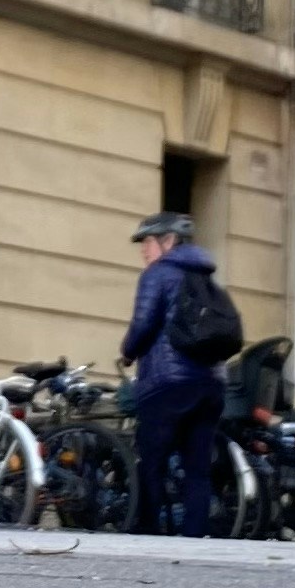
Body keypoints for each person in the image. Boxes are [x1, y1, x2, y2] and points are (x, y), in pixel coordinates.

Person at [120, 206, 240, 540]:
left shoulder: (157, 274)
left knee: (152, 460)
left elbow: (143, 324)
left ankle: (148, 530)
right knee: (197, 468)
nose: (144, 249)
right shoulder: (207, 277)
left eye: (148, 242)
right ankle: (194, 536)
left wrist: (128, 351)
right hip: (211, 384)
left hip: (167, 384)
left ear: (169, 240)